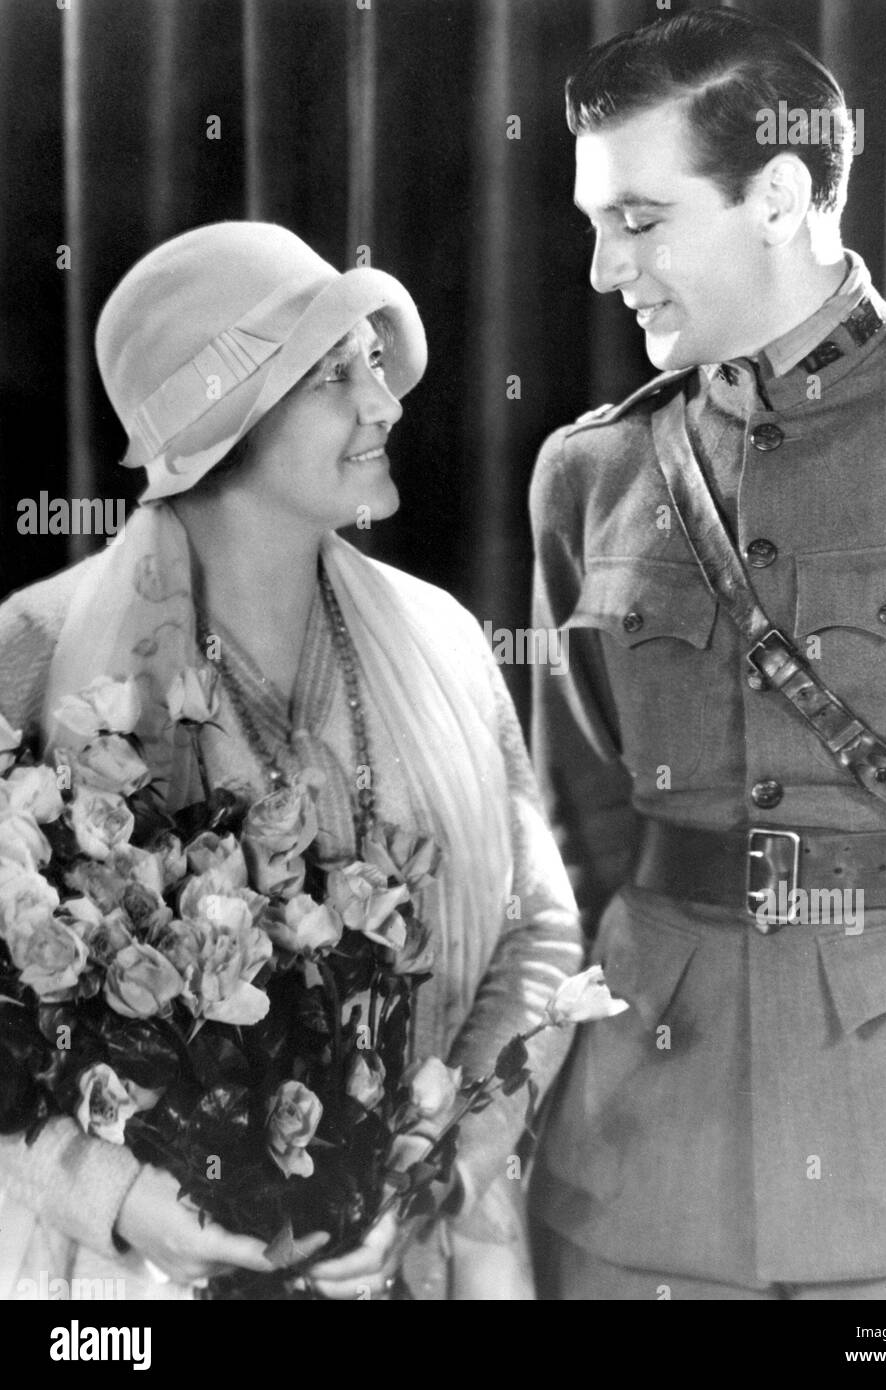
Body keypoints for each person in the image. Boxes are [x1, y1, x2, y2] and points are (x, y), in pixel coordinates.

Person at [529, 7, 886, 1300]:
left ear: (780, 192)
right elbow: (574, 826)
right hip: (643, 1158)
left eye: (637, 222)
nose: (598, 269)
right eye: (593, 222)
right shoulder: (590, 470)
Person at [0, 220, 582, 1300]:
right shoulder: (30, 653)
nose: (383, 402)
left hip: (414, 1261)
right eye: (332, 376)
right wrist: (123, 1202)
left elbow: (539, 928)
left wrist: (444, 1161)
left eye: (371, 364)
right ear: (225, 423)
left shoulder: (446, 637)